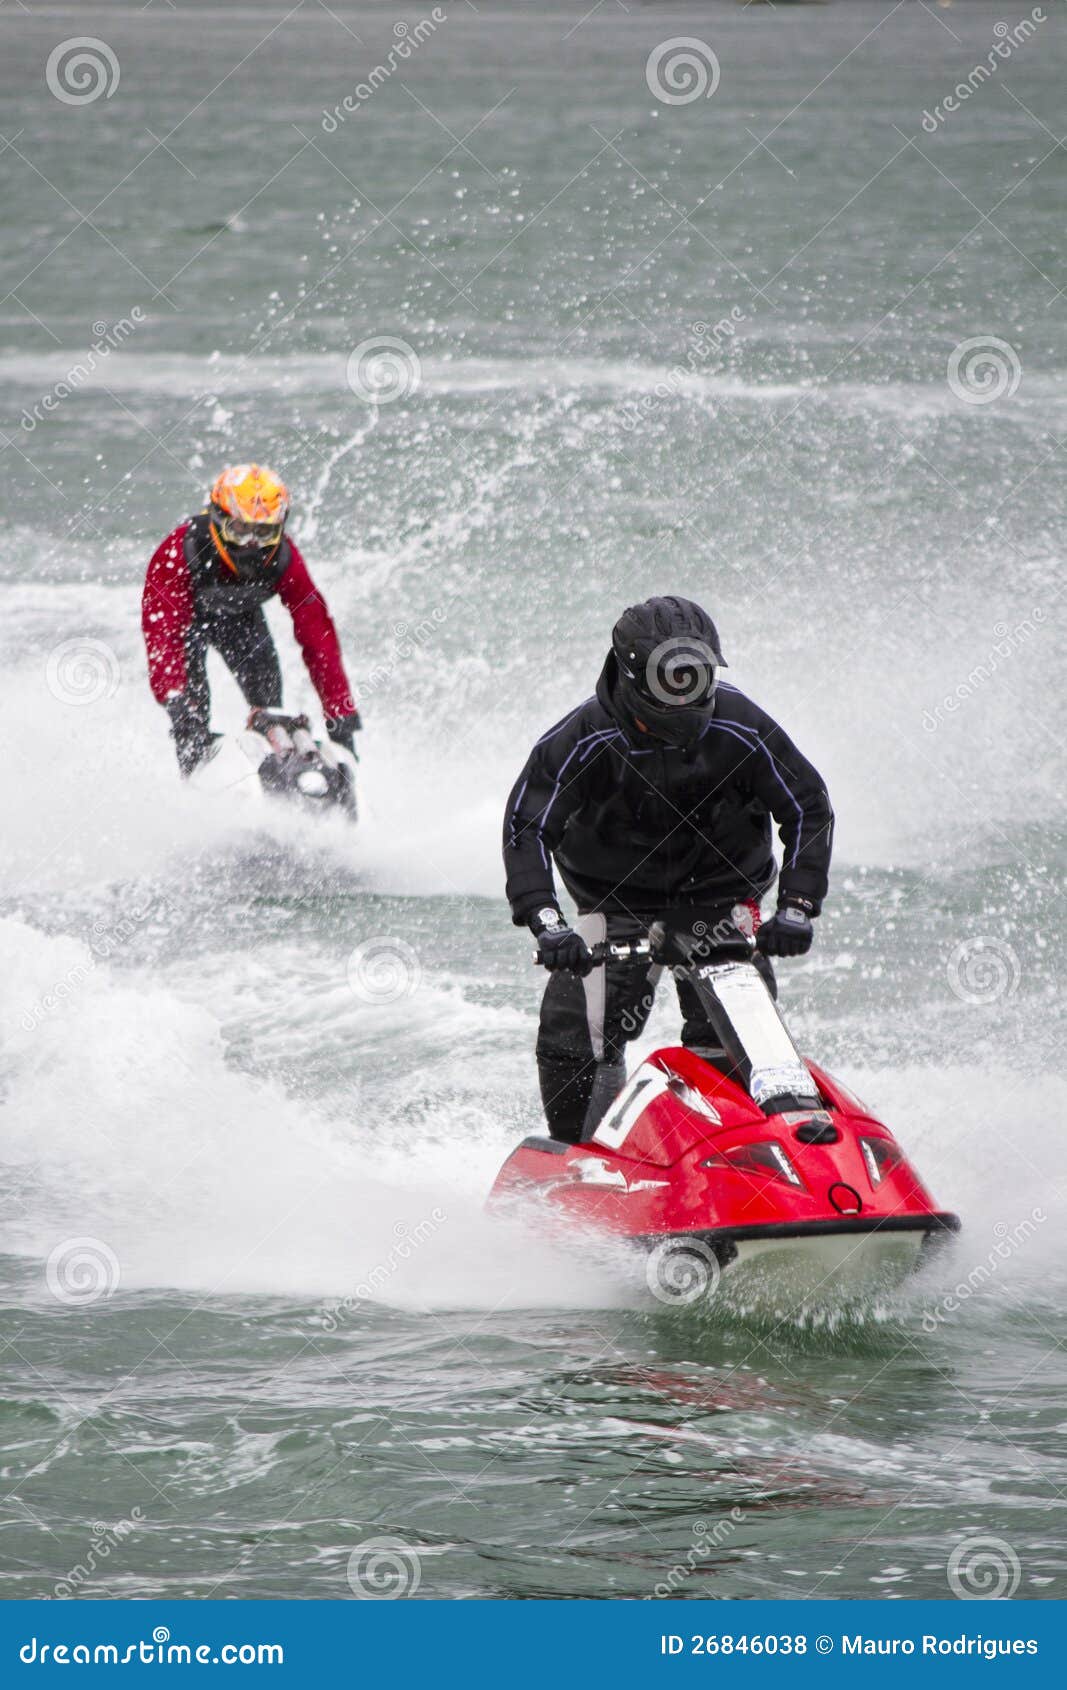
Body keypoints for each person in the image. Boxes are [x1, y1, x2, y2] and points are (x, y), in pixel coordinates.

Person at [502, 595, 834, 1142]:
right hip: (612, 905)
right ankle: (580, 1157)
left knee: (736, 1041)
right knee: (574, 1036)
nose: (684, 694)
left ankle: (755, 1158)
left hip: (721, 901)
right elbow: (526, 828)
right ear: (632, 678)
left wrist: (796, 907)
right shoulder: (580, 740)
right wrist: (548, 923)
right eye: (670, 681)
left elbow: (809, 809)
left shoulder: (742, 728)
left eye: (696, 677)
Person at [142, 463, 361, 774]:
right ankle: (195, 784)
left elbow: (317, 634)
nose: (252, 545)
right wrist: (174, 698)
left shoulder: (285, 559)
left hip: (241, 622)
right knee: (190, 719)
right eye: (240, 530)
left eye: (265, 532)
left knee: (270, 705)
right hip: (186, 627)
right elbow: (162, 632)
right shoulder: (180, 551)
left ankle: (280, 775)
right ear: (217, 519)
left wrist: (340, 714)